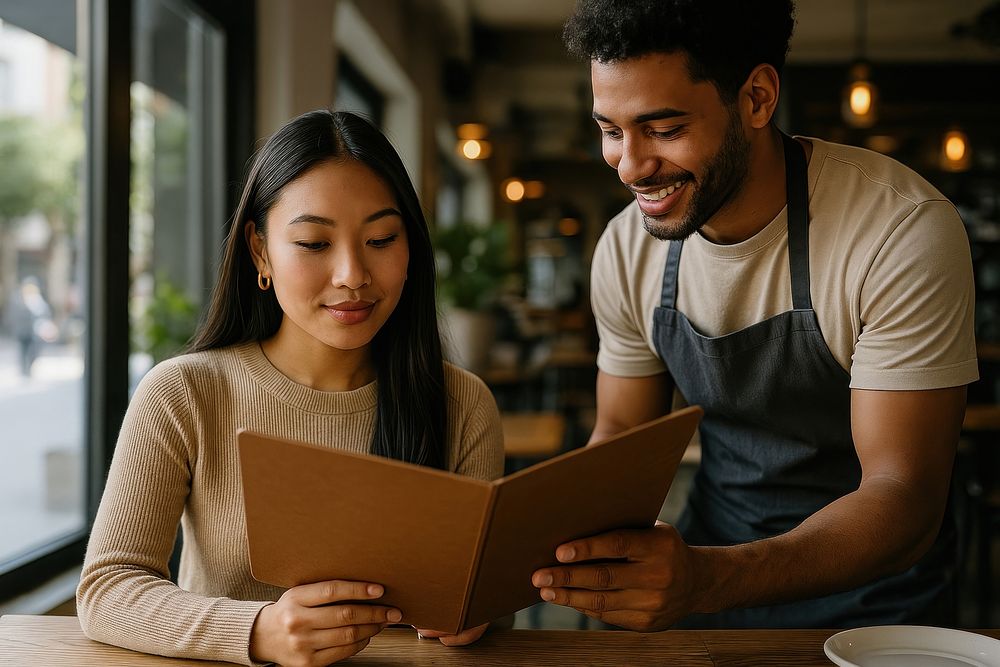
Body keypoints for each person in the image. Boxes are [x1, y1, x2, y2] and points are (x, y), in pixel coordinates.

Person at [531, 0, 976, 629]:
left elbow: (903, 497)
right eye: (610, 131)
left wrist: (707, 582)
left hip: (876, 596)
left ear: (757, 99)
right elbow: (621, 436)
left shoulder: (897, 231)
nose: (630, 166)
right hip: (709, 558)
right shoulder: (627, 248)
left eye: (664, 129)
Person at [77, 110, 504, 665]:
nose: (352, 274)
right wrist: (260, 630)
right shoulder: (184, 393)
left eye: (380, 238)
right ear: (260, 251)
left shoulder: (462, 403)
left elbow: (486, 605)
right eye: (313, 243)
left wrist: (478, 614)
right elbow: (108, 589)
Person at [9, 277, 56, 377]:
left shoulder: (38, 300)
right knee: (23, 350)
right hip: (22, 330)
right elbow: (14, 315)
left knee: (34, 350)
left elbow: (45, 313)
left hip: (34, 332)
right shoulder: (19, 299)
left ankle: (29, 368)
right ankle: (24, 369)